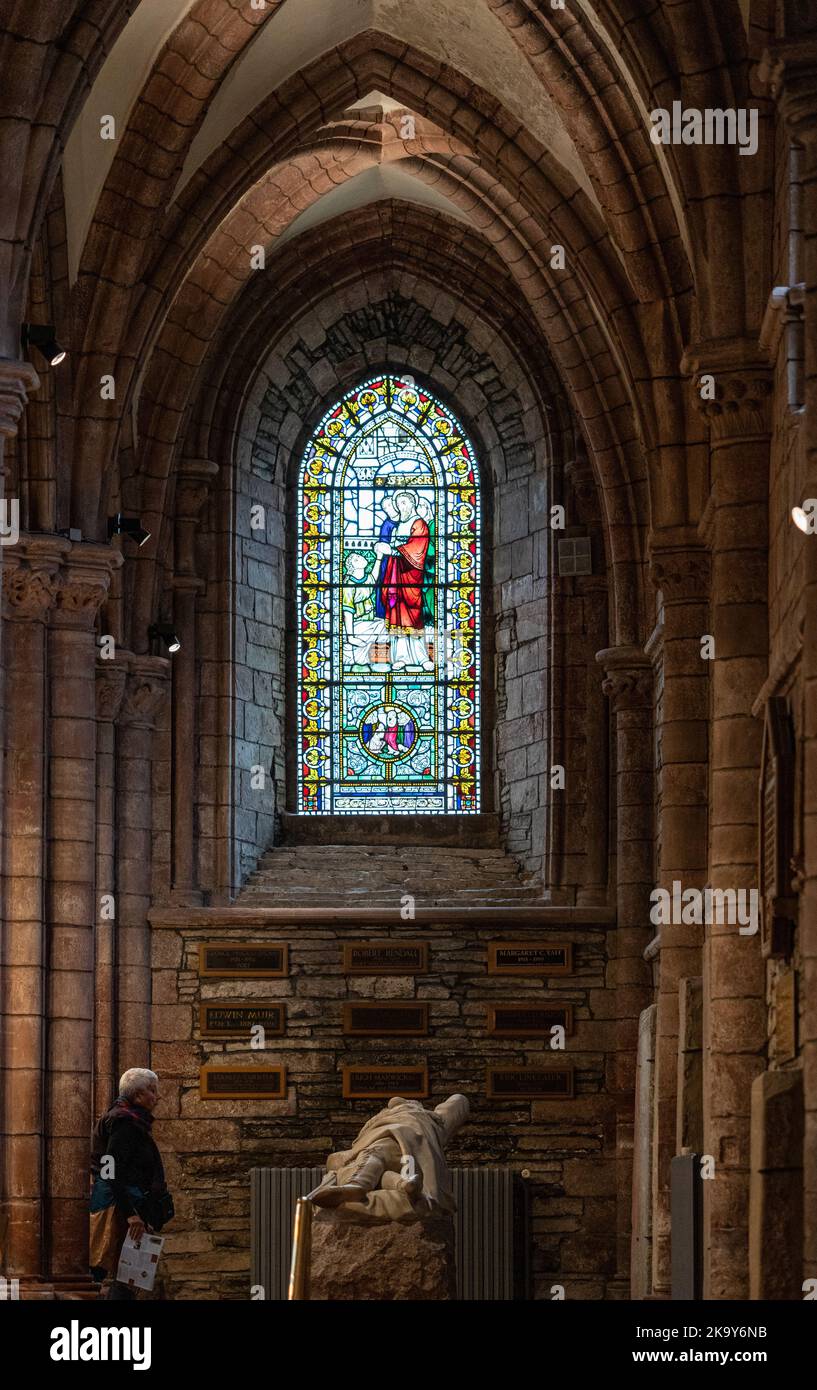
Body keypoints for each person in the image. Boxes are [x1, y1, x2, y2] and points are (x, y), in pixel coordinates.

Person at [310, 1093, 470, 1222]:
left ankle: (358, 1183)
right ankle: (403, 1184)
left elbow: (459, 1101)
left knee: (376, 1152)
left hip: (400, 1145)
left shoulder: (433, 1119)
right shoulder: (377, 1124)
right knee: (377, 1162)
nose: (397, 1103)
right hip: (393, 1155)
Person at [89, 1068, 170, 1299]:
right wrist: (131, 1214)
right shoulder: (124, 1122)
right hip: (120, 1207)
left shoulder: (127, 1119)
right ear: (137, 1094)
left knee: (127, 1273)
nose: (157, 1096)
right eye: (152, 1090)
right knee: (122, 1272)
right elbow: (111, 1170)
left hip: (124, 1203)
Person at [375, 489, 434, 670]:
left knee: (414, 619)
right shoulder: (398, 524)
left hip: (411, 577)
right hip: (396, 576)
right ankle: (400, 657)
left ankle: (422, 658)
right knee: (397, 618)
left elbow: (417, 548)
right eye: (398, 504)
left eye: (403, 503)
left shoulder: (419, 523)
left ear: (411, 504)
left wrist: (392, 550)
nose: (400, 507)